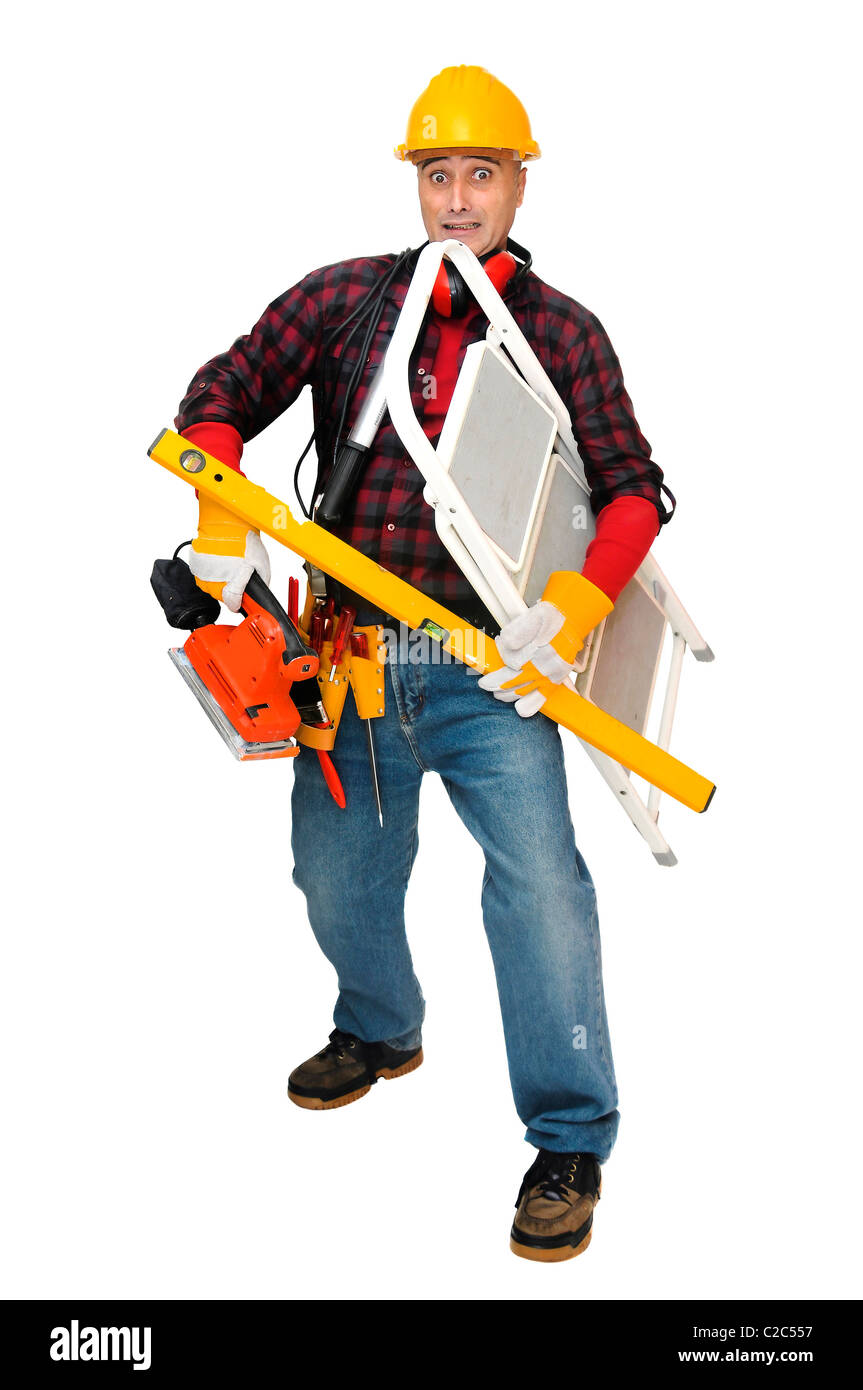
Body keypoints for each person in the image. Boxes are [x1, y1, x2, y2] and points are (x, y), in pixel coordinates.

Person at [174, 65, 672, 1262]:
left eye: (480, 175)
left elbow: (631, 492)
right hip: (347, 663)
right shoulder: (344, 301)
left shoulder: (558, 331)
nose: (457, 199)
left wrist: (567, 606)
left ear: (516, 183)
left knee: (541, 892)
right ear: (416, 184)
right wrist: (222, 526)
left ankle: (567, 1137)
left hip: (490, 671)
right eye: (437, 175)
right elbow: (220, 394)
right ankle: (380, 1027)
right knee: (335, 880)